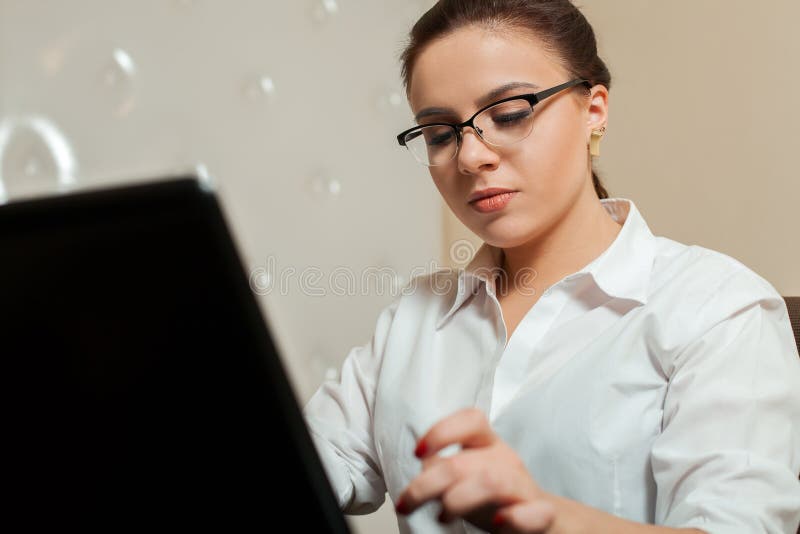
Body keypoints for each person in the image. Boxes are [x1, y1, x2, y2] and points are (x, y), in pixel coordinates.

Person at [303, 1, 800, 532]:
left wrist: (552, 518)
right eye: (440, 134)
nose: (471, 157)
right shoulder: (413, 317)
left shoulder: (716, 310)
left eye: (510, 113)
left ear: (594, 111)